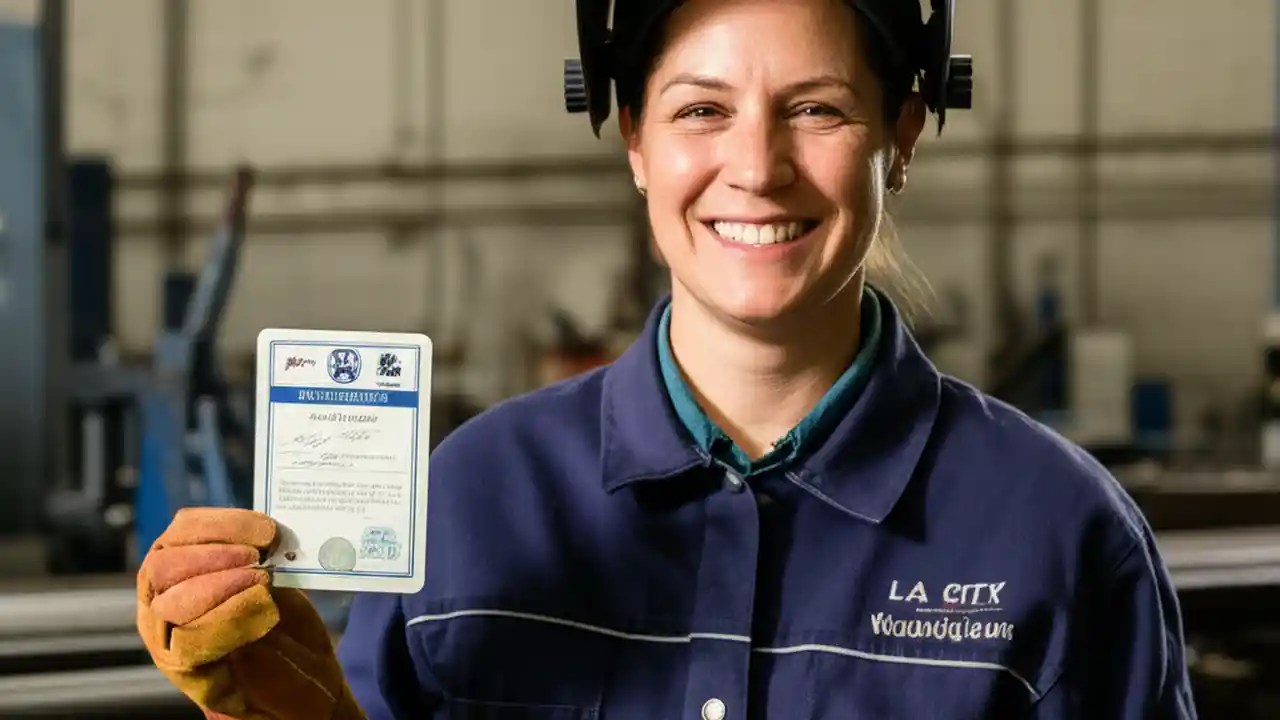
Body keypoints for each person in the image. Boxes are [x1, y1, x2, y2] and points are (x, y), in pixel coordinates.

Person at [136, 0, 1198, 717]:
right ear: (632, 136)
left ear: (902, 136)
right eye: (700, 110)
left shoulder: (1058, 533)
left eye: (816, 109)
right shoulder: (469, 499)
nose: (755, 166)